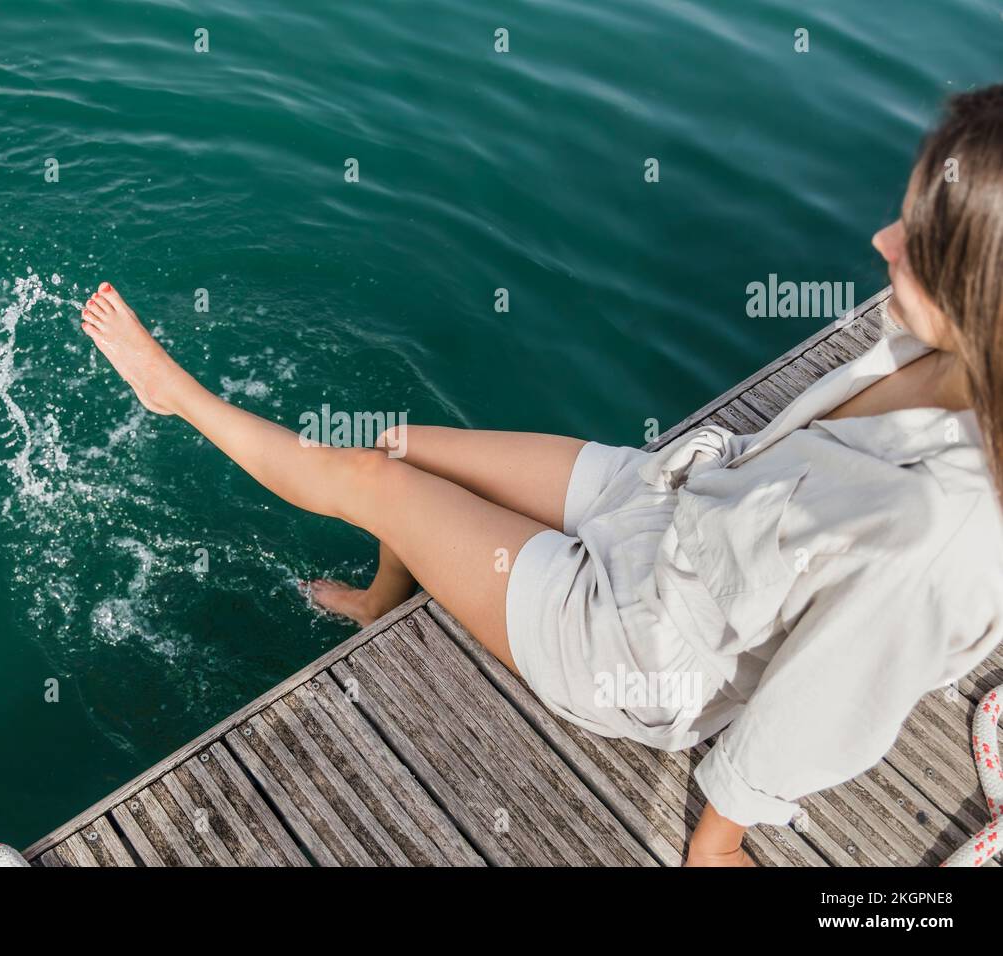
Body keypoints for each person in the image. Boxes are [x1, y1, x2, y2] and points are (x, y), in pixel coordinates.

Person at [77, 85, 1003, 866]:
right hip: (671, 509)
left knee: (370, 480)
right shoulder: (944, 350)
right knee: (400, 443)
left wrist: (714, 845)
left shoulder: (945, 530)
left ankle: (174, 396)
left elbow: (823, 706)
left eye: (919, 236)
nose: (883, 239)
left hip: (636, 643)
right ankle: (377, 599)